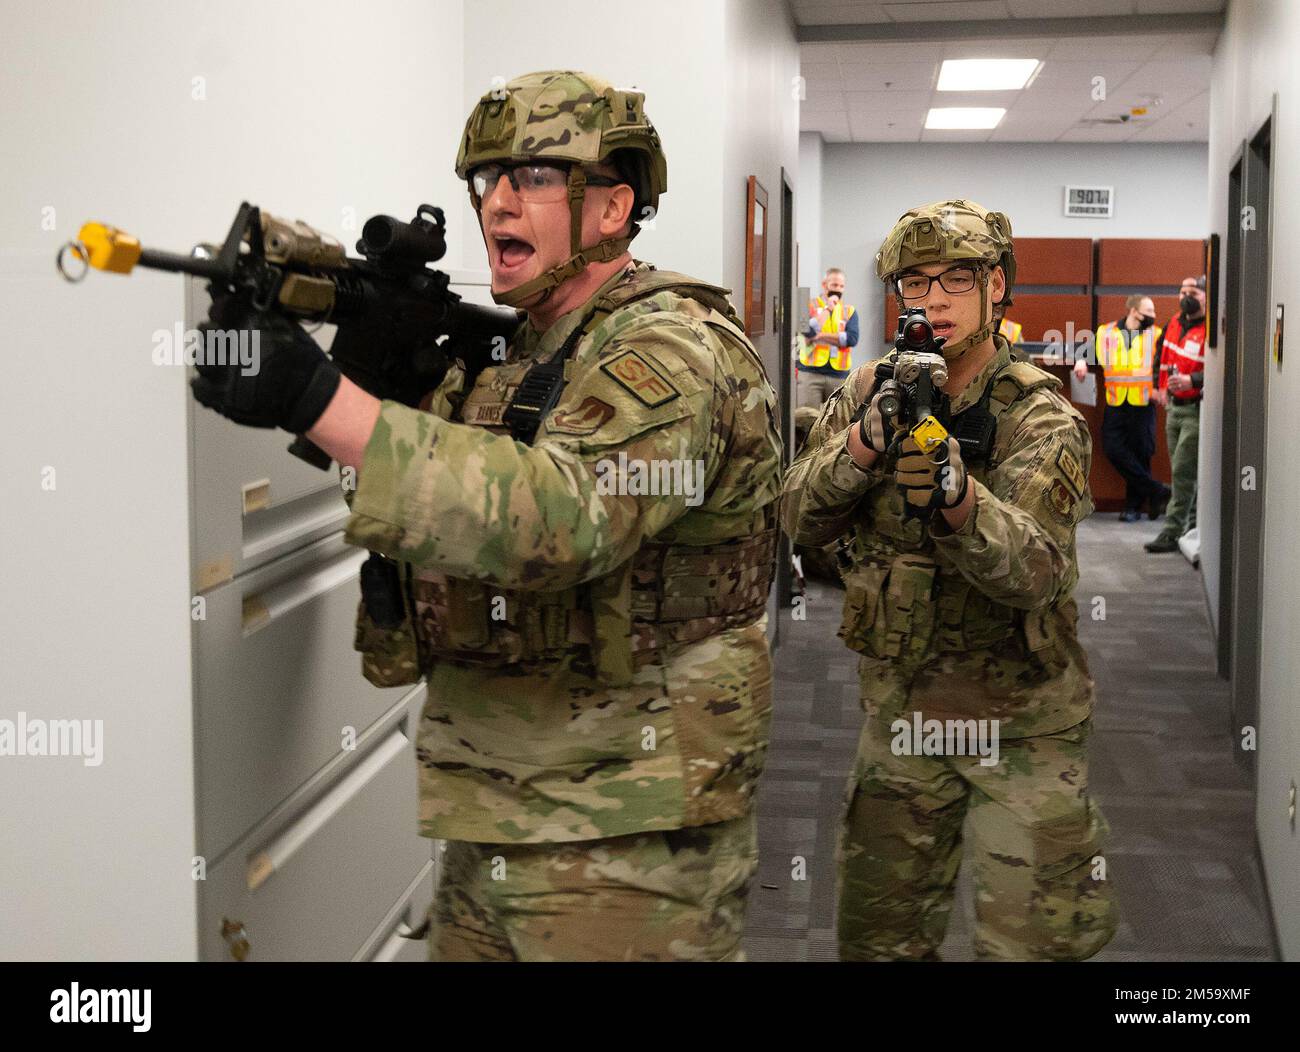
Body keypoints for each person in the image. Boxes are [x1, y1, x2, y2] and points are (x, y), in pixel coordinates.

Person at [189, 70, 783, 961]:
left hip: (630, 831)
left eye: (537, 177)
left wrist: (320, 399)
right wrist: (384, 383)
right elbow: (449, 513)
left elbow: (569, 516)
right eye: (488, 180)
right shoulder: (526, 345)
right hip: (501, 794)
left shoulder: (672, 345)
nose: (500, 202)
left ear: (614, 206)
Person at [783, 199, 1117, 961]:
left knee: (1033, 945)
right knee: (879, 941)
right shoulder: (868, 390)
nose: (931, 299)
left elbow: (1037, 572)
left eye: (956, 279)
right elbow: (796, 519)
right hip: (902, 715)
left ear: (997, 286)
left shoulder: (1040, 416)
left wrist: (960, 501)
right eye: (914, 282)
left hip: (1022, 725)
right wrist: (863, 448)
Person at [1075, 295, 1170, 522]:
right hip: (1116, 401)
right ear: (1134, 311)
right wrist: (1080, 360)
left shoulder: (1156, 335)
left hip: (1144, 401)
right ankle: (1156, 490)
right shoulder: (1107, 333)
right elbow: (1084, 350)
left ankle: (1133, 506)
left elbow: (1167, 364)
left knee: (1142, 452)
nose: (1153, 315)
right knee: (1113, 448)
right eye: (1149, 310)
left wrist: (1162, 387)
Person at [1145, 276, 1207, 553]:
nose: (1185, 296)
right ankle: (1193, 527)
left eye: (1192, 291)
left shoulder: (1211, 329)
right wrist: (1159, 388)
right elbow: (1161, 357)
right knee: (1183, 471)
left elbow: (1220, 368)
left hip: (1196, 409)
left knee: (1182, 472)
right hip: (1173, 408)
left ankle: (1172, 532)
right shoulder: (1172, 323)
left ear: (1205, 296)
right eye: (1182, 291)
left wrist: (1192, 381)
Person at [797, 267, 859, 408]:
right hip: (810, 373)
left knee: (837, 423)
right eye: (834, 285)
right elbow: (808, 332)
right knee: (806, 420)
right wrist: (828, 309)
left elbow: (851, 339)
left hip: (838, 374)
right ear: (825, 285)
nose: (838, 289)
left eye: (841, 286)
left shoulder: (849, 311)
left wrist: (820, 336)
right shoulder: (808, 305)